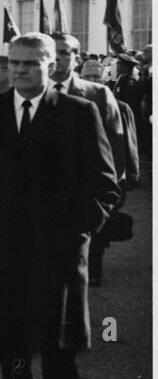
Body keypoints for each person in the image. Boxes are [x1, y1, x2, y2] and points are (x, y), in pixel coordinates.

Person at [0, 33, 119, 379]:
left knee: (56, 337)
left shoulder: (78, 112)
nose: (21, 70)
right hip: (1, 251)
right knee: (9, 335)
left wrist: (81, 232)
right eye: (15, 63)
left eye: (30, 63)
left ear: (52, 64)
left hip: (58, 250)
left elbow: (105, 185)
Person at [50, 32, 128, 287]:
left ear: (76, 57)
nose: (57, 58)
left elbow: (114, 147)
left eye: (64, 52)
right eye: (52, 52)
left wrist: (104, 201)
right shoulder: (29, 92)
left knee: (75, 278)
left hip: (81, 196)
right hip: (40, 197)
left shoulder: (98, 93)